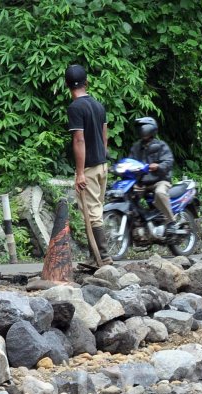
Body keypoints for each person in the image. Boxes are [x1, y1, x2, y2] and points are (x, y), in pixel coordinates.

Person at [65, 63, 110, 260]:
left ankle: (103, 257)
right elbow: (104, 135)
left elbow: (79, 139)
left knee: (92, 213)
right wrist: (103, 155)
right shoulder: (98, 105)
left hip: (90, 168)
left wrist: (80, 172)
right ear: (87, 82)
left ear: (67, 85)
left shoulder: (75, 108)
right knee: (97, 210)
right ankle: (95, 257)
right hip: (102, 165)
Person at [127, 117, 180, 233]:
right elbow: (130, 162)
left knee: (160, 193)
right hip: (142, 182)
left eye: (143, 127)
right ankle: (139, 223)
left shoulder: (161, 146)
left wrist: (158, 166)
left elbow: (168, 162)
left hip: (160, 180)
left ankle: (171, 221)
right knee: (127, 195)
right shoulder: (136, 147)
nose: (142, 130)